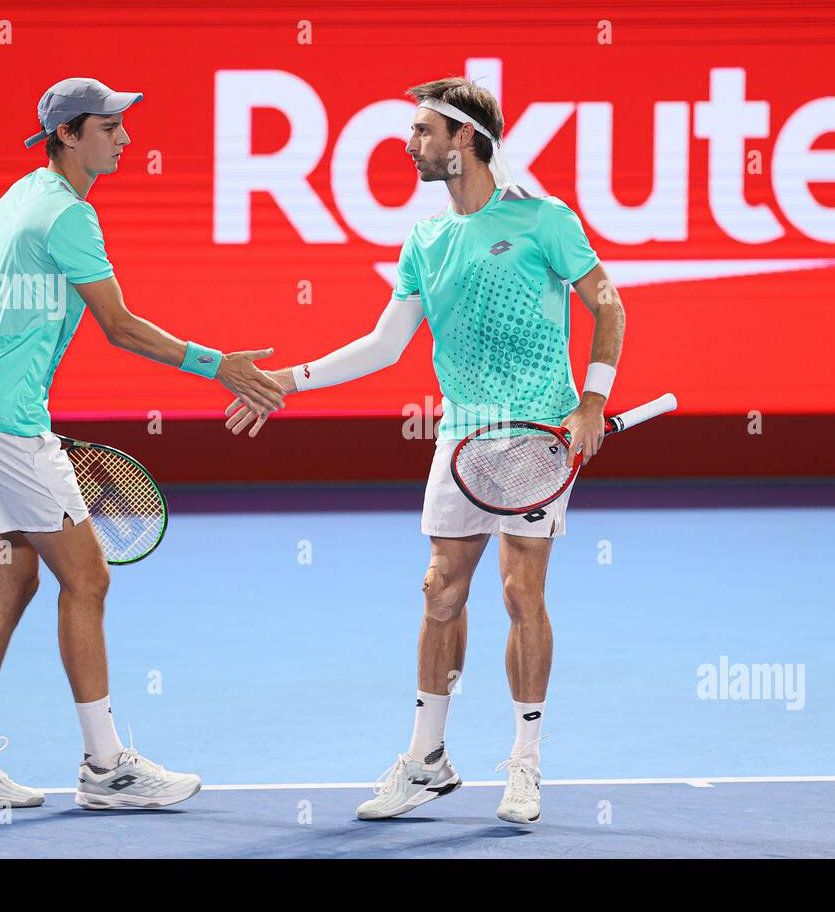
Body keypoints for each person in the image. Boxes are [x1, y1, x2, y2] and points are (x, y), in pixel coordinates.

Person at [225, 77, 625, 823]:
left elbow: (609, 303)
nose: (410, 144)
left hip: (538, 432)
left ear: (462, 138)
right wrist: (290, 380)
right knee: (441, 589)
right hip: (462, 433)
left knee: (519, 593)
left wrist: (593, 401)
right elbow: (384, 344)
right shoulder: (426, 238)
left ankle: (527, 763)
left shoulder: (543, 220)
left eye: (421, 131)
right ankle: (428, 758)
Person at [0, 77, 285, 810]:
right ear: (70, 135)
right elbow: (120, 328)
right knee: (88, 579)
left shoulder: (21, 194)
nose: (125, 139)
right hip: (5, 427)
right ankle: (106, 768)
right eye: (110, 127)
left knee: (14, 579)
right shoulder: (68, 217)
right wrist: (224, 367)